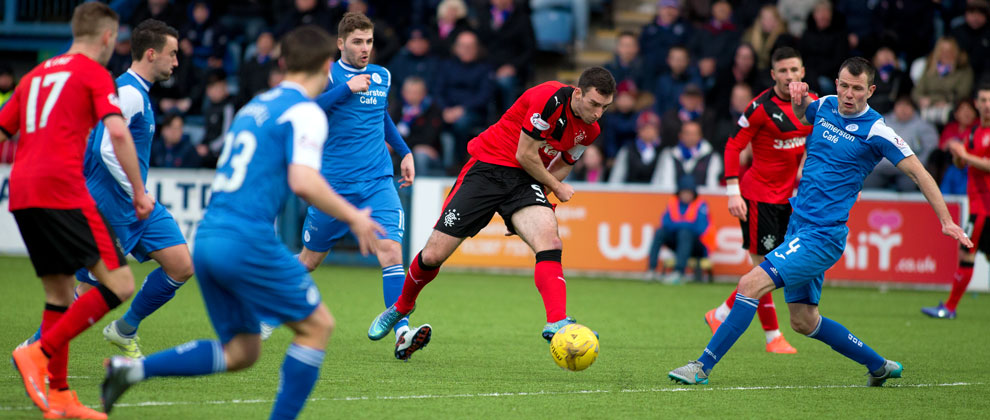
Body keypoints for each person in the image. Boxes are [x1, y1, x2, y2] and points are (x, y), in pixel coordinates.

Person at [100, 25, 383, 418]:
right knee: (317, 327)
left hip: (210, 238)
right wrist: (355, 216)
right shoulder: (306, 112)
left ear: (283, 63)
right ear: (325, 65)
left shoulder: (256, 105)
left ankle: (131, 371)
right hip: (247, 238)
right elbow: (303, 181)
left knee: (242, 351)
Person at [668, 57, 972, 387]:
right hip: (799, 227)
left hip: (822, 236)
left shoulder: (877, 131)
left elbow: (919, 173)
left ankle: (701, 367)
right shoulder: (824, 105)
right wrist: (799, 101)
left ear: (870, 90)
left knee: (749, 285)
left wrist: (946, 220)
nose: (848, 94)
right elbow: (801, 116)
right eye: (843, 85)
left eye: (857, 89)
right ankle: (879, 365)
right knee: (803, 321)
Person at [366, 67, 615, 346]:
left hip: (524, 181)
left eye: (605, 107)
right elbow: (525, 154)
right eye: (594, 104)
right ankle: (401, 306)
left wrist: (535, 205)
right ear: (578, 93)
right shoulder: (549, 98)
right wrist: (556, 189)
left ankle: (556, 320)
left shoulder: (590, 130)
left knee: (550, 240)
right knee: (434, 254)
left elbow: (563, 165)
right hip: (488, 168)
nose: (598, 113)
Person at [5, 3, 154, 417]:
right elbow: (118, 130)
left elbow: (3, 128)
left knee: (59, 295)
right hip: (62, 189)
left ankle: (61, 395)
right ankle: (38, 352)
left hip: (21, 191)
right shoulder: (92, 72)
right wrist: (140, 192)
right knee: (121, 284)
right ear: (108, 37)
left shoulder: (35, 75)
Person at [298, 12, 426, 361]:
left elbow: (381, 116)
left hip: (377, 182)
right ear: (341, 44)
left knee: (390, 253)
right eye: (357, 41)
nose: (365, 48)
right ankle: (264, 303)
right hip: (334, 187)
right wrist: (344, 89)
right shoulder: (327, 75)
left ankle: (402, 333)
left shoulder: (381, 76)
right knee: (309, 261)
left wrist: (404, 152)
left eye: (369, 41)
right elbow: (306, 110)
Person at [64, 20, 188, 363]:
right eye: (172, 54)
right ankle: (36, 347)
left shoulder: (137, 93)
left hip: (137, 204)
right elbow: (106, 148)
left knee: (181, 265)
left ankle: (125, 329)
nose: (176, 62)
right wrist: (137, 191)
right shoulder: (129, 92)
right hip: (111, 204)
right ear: (151, 54)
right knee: (94, 289)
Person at [703, 47, 814, 355]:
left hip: (788, 200)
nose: (789, 76)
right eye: (783, 71)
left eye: (794, 70)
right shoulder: (760, 108)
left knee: (773, 269)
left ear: (802, 72)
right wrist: (732, 191)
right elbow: (732, 147)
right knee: (763, 270)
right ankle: (772, 336)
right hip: (757, 197)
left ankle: (721, 314)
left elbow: (821, 141)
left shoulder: (814, 105)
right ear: (773, 75)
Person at [922, 84, 990, 319]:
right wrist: (959, 157)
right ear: (977, 104)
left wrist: (965, 156)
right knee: (971, 254)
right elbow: (964, 165)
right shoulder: (973, 132)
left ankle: (949, 308)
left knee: (966, 254)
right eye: (983, 100)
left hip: (986, 207)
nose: (987, 105)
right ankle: (949, 307)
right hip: (978, 204)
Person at [863, 96, 939, 191]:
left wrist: (917, 167)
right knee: (867, 183)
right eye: (900, 106)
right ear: (894, 107)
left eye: (907, 106)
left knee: (909, 186)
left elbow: (930, 150)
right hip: (881, 168)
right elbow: (870, 144)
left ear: (913, 108)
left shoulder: (924, 126)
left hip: (908, 170)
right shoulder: (881, 122)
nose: (903, 110)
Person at [647, 175, 711, 284]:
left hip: (698, 247)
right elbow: (665, 223)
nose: (686, 195)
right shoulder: (673, 203)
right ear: (679, 193)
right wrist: (685, 224)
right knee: (660, 232)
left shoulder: (701, 205)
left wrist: (679, 225)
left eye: (689, 192)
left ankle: (679, 272)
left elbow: (700, 229)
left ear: (693, 193)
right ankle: (651, 270)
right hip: (678, 243)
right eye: (684, 192)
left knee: (685, 233)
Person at [653, 120, 722, 190]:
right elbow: (665, 185)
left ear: (700, 136)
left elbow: (713, 187)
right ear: (680, 135)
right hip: (674, 199)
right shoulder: (669, 155)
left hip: (703, 199)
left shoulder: (712, 157)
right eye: (687, 133)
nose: (690, 137)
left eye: (694, 133)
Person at [609, 110, 662, 184]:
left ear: (657, 130)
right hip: (629, 193)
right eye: (644, 128)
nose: (648, 131)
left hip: (656, 194)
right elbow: (616, 178)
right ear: (638, 130)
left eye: (652, 128)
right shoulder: (627, 150)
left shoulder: (664, 151)